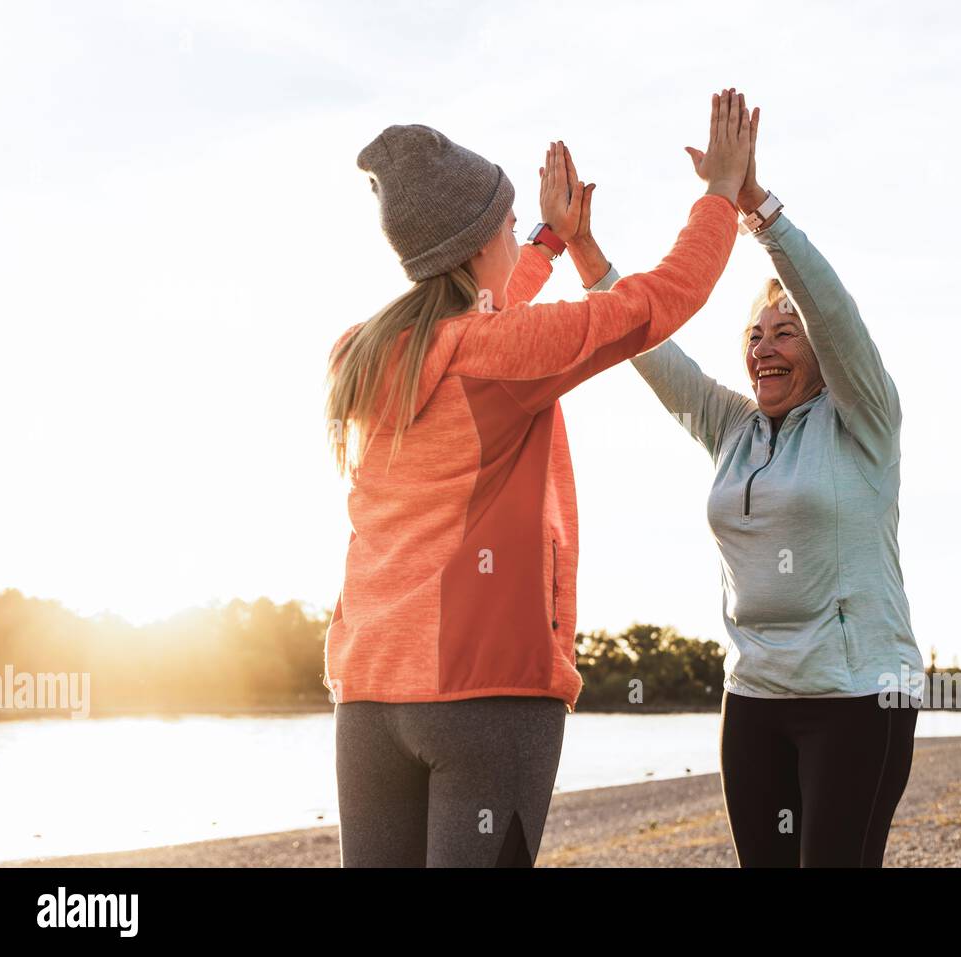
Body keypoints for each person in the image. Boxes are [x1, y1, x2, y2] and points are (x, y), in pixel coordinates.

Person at [322, 90, 752, 867]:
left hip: (368, 695)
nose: (515, 235)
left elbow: (470, 323)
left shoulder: (358, 353)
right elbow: (653, 303)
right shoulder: (501, 355)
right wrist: (721, 196)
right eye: (511, 225)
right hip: (487, 697)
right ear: (481, 240)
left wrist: (552, 241)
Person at [580, 103, 925, 867]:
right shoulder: (732, 428)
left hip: (862, 693)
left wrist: (756, 209)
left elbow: (836, 314)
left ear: (820, 350)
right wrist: (584, 249)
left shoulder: (862, 417)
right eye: (754, 335)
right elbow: (645, 345)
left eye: (785, 331)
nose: (765, 347)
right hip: (756, 696)